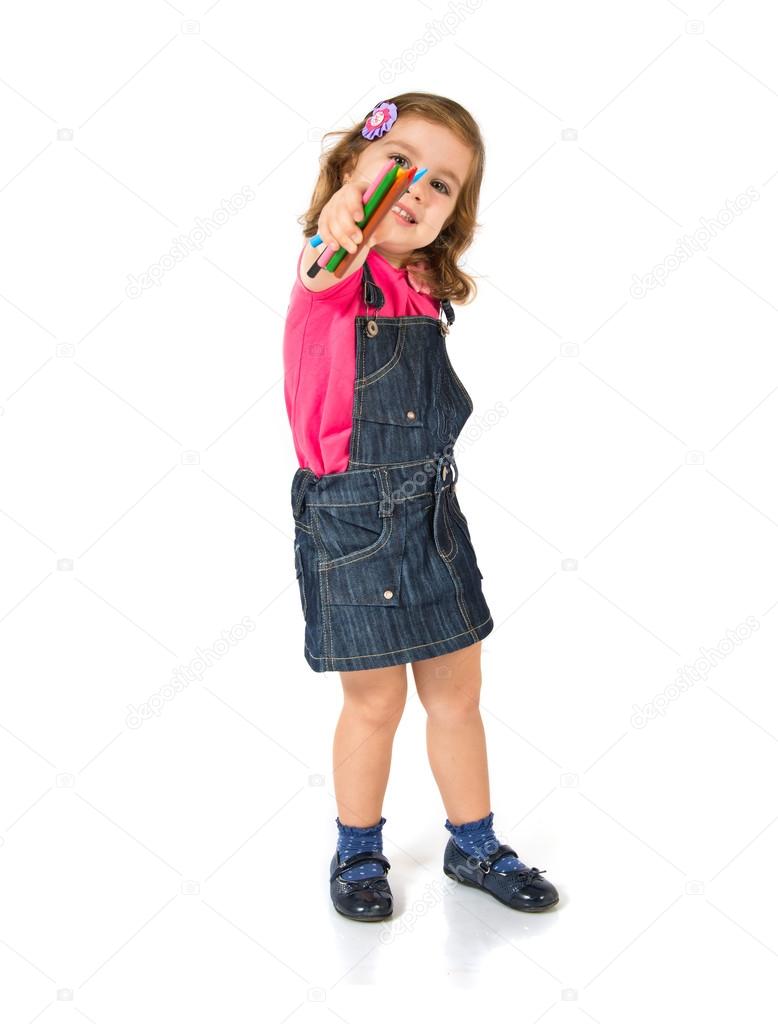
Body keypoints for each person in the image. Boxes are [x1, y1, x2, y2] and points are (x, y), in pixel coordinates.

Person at [283, 93, 559, 920]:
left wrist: (384, 194)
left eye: (440, 184)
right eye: (397, 162)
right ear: (348, 171)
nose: (414, 189)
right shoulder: (330, 274)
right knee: (375, 702)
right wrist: (345, 215)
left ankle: (473, 845)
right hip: (353, 523)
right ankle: (358, 848)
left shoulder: (418, 286)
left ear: (453, 216)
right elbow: (329, 248)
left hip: (436, 515)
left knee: (458, 694)